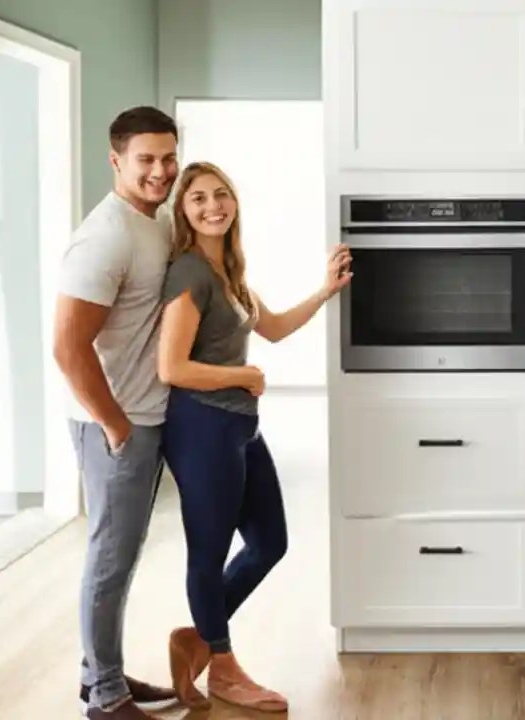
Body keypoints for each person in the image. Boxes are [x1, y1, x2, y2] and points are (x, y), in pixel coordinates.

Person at [158, 161, 351, 712]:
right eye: (198, 199)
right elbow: (172, 367)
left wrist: (325, 291)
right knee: (209, 549)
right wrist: (243, 376)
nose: (213, 205)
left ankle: (197, 637)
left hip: (239, 427)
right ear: (184, 212)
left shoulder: (230, 273)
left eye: (221, 195)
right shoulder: (190, 274)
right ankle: (222, 665)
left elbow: (274, 327)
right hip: (201, 427)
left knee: (270, 542)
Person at [52, 106, 182, 719]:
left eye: (168, 157)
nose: (161, 171)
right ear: (116, 160)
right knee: (110, 556)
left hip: (141, 415)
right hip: (114, 422)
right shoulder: (105, 234)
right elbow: (68, 346)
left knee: (123, 555)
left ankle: (100, 673)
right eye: (146, 160)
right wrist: (116, 425)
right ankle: (105, 697)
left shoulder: (152, 223)